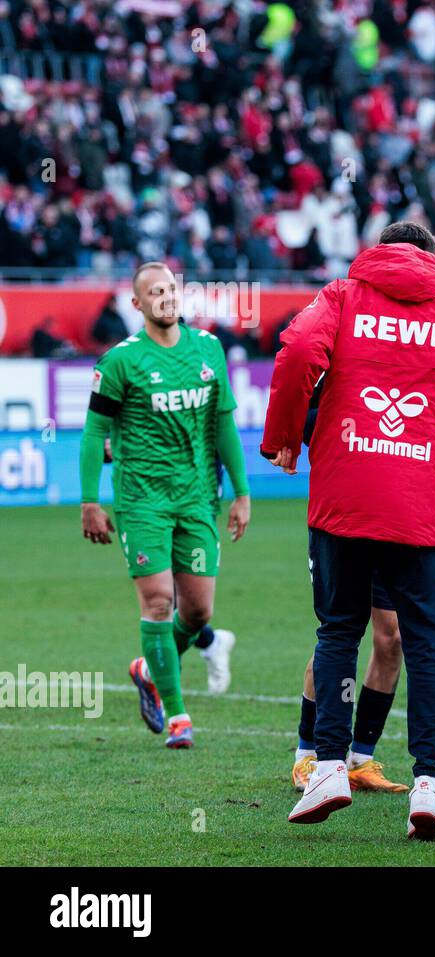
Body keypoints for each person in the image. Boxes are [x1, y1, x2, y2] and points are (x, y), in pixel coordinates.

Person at [262, 220, 435, 841]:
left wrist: (284, 438)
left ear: (379, 250)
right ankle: (429, 783)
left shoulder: (345, 295)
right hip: (422, 502)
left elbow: (295, 354)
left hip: (346, 495)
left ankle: (326, 768)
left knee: (340, 628)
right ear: (433, 260)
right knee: (427, 643)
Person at [80, 261, 247, 749]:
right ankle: (178, 718)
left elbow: (225, 426)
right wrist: (90, 500)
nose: (165, 296)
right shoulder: (119, 362)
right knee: (158, 602)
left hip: (198, 499)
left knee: (197, 613)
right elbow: (93, 433)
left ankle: (148, 668)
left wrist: (242, 493)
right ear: (138, 305)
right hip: (141, 501)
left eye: (170, 288)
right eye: (154, 291)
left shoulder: (209, 350)